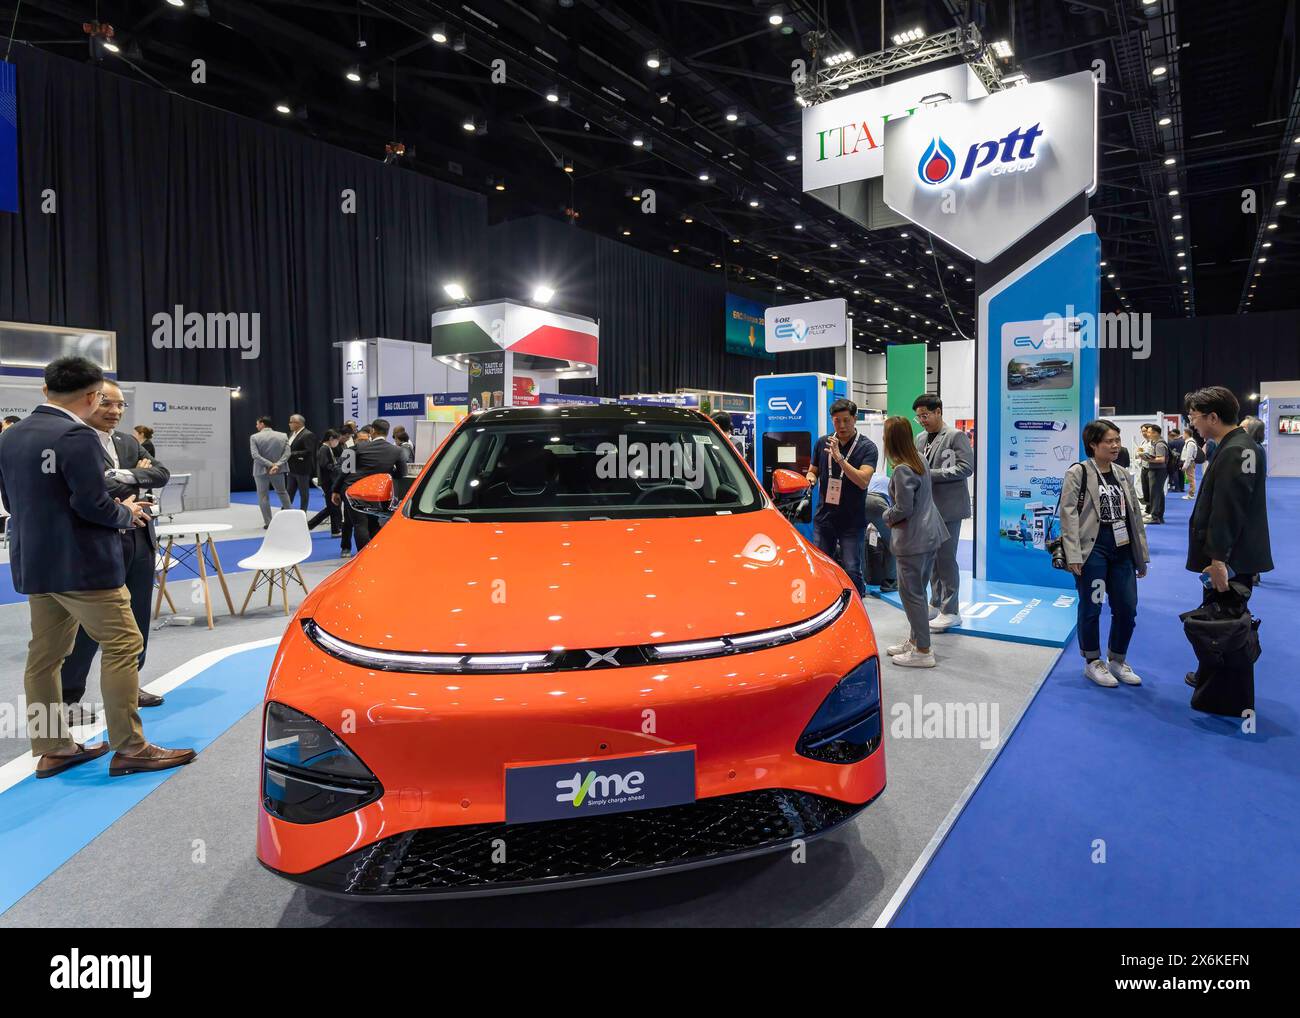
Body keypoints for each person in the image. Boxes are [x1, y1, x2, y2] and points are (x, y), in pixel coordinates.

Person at [0, 357, 194, 777]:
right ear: (90, 397)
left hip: (36, 562)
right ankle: (132, 748)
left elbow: (12, 502)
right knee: (124, 644)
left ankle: (54, 747)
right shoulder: (77, 435)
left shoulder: (11, 435)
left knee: (44, 657)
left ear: (45, 390)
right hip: (85, 566)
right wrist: (127, 513)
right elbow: (92, 505)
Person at [60, 380, 171, 725]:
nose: (115, 412)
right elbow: (94, 486)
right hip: (98, 544)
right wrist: (133, 479)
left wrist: (122, 474)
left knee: (138, 617)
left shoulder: (126, 441)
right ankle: (69, 697)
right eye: (108, 403)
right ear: (90, 400)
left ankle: (131, 686)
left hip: (139, 541)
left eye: (121, 405)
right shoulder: (74, 439)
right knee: (89, 626)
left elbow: (161, 474)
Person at [1059, 419, 1150, 688]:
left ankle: (1117, 660)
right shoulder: (1078, 472)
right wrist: (1073, 554)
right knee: (1092, 606)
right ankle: (1092, 661)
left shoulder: (1122, 473)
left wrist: (1140, 555)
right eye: (1109, 441)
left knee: (1127, 607)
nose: (1115, 445)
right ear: (1093, 444)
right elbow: (1068, 515)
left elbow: (1134, 516)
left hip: (1121, 550)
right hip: (1093, 550)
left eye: (1117, 440)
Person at [1184, 385, 1272, 605]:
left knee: (1223, 627)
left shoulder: (1236, 450)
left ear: (1212, 417)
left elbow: (1229, 509)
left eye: (1194, 417)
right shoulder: (1239, 445)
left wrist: (1219, 560)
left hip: (1231, 558)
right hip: (1235, 554)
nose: (1192, 423)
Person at [881, 416, 949, 669]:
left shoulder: (901, 469)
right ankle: (915, 639)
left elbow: (903, 508)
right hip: (930, 535)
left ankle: (923, 650)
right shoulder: (919, 459)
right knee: (918, 593)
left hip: (913, 540)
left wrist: (886, 515)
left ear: (891, 439)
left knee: (912, 595)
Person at [912, 394, 973, 631]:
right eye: (919, 417)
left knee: (946, 559)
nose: (922, 420)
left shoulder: (956, 436)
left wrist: (930, 474)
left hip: (949, 509)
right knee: (932, 559)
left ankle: (951, 609)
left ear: (938, 411)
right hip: (927, 509)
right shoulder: (920, 439)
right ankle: (936, 603)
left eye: (925, 415)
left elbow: (966, 468)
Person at [805, 398, 877, 596]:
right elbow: (813, 470)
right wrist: (809, 479)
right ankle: (825, 600)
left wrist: (839, 459)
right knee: (822, 566)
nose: (842, 425)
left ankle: (857, 603)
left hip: (852, 521)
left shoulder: (867, 447)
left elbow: (863, 481)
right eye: (837, 421)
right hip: (824, 518)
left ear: (854, 419)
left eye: (846, 420)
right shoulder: (822, 442)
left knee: (852, 568)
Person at [333, 420, 404, 553]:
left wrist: (335, 490)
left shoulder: (357, 448)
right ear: (388, 433)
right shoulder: (397, 450)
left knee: (360, 524)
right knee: (373, 523)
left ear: (372, 431)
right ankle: (374, 554)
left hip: (353, 489)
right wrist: (386, 470)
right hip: (377, 492)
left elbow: (344, 471)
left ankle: (363, 555)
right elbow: (401, 473)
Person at [250, 415, 291, 528]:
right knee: (282, 493)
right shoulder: (283, 435)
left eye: (257, 423)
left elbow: (255, 455)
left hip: (260, 471)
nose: (256, 426)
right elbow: (287, 453)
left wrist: (270, 465)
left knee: (263, 496)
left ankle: (269, 523)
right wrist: (276, 465)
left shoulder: (254, 437)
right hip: (278, 470)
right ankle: (292, 518)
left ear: (262, 424)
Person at [864, 469, 897, 594]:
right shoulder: (889, 480)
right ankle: (890, 581)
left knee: (859, 543)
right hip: (879, 503)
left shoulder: (869, 476)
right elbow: (896, 506)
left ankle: (861, 581)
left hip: (862, 501)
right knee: (892, 542)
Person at [307, 429, 343, 535]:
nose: (337, 443)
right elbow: (325, 464)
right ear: (331, 439)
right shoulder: (324, 449)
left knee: (333, 506)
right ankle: (310, 525)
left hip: (329, 480)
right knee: (333, 506)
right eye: (336, 440)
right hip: (328, 481)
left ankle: (335, 530)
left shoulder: (327, 448)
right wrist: (337, 467)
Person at [1135, 423, 1168, 524]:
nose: (1147, 434)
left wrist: (1147, 458)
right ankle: (1158, 516)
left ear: (1155, 433)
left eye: (1149, 432)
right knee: (1157, 493)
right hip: (1156, 470)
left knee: (1155, 494)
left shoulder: (1159, 444)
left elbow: (1161, 459)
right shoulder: (1156, 443)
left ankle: (1155, 517)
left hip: (1157, 471)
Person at [285, 414, 318, 513]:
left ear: (298, 423)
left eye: (291, 422)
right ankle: (285, 511)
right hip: (291, 468)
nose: (289, 424)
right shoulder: (291, 434)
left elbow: (309, 451)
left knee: (303, 493)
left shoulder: (308, 434)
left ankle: (303, 512)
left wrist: (291, 454)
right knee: (289, 492)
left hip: (302, 469)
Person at [1180, 427, 1201, 499]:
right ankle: (1191, 494)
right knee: (1190, 478)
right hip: (1190, 462)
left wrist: (1185, 466)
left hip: (1190, 463)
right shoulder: (1189, 442)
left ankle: (1191, 494)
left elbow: (1189, 456)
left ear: (1187, 434)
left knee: (1191, 479)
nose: (1182, 435)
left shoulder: (1190, 443)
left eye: (1183, 433)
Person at [1166, 428, 1185, 493]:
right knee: (1181, 474)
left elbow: (1169, 452)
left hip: (1174, 460)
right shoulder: (1184, 441)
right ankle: (1182, 488)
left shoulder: (1172, 442)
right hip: (1183, 459)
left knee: (1175, 473)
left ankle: (1177, 488)